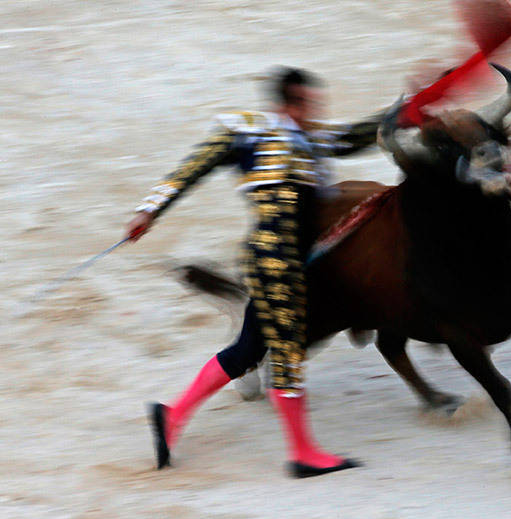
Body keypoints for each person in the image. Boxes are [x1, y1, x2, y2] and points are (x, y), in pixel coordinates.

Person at [127, 67, 379, 478]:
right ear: (285, 102)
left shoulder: (313, 137)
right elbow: (193, 168)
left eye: (312, 104)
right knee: (288, 351)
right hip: (275, 257)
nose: (310, 110)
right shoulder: (249, 130)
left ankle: (171, 417)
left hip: (286, 259)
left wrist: (412, 106)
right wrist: (150, 210)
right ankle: (302, 452)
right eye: (303, 103)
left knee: (248, 349)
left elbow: (358, 135)